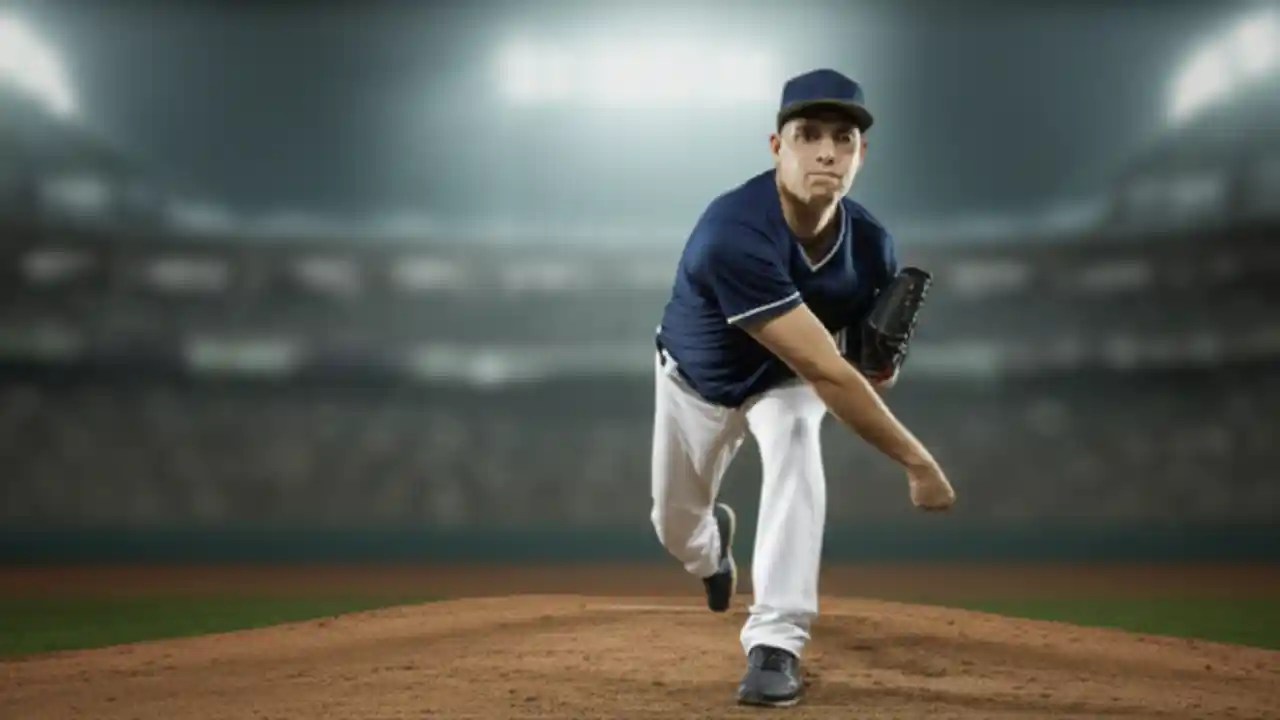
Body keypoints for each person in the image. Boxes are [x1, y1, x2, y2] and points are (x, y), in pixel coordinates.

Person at [649, 68, 956, 708]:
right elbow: (828, 370)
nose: (827, 151)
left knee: (794, 433)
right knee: (674, 525)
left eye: (843, 139)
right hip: (696, 383)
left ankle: (776, 644)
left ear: (861, 154)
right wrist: (917, 461)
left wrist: (880, 364)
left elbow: (860, 371)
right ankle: (711, 552)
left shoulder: (871, 246)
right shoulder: (733, 233)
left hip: (782, 384)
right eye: (808, 134)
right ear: (776, 147)